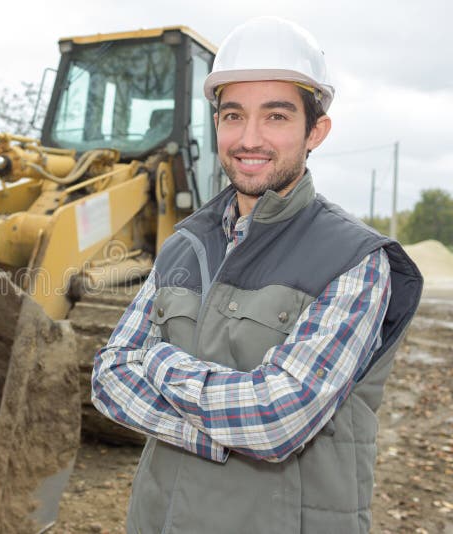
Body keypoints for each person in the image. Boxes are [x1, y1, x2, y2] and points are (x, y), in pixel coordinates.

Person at [91, 16, 423, 534]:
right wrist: (219, 425)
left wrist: (155, 361)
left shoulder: (355, 259)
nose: (249, 138)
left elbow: (276, 420)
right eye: (233, 115)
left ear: (316, 130)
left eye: (275, 117)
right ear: (216, 124)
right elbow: (109, 378)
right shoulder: (184, 244)